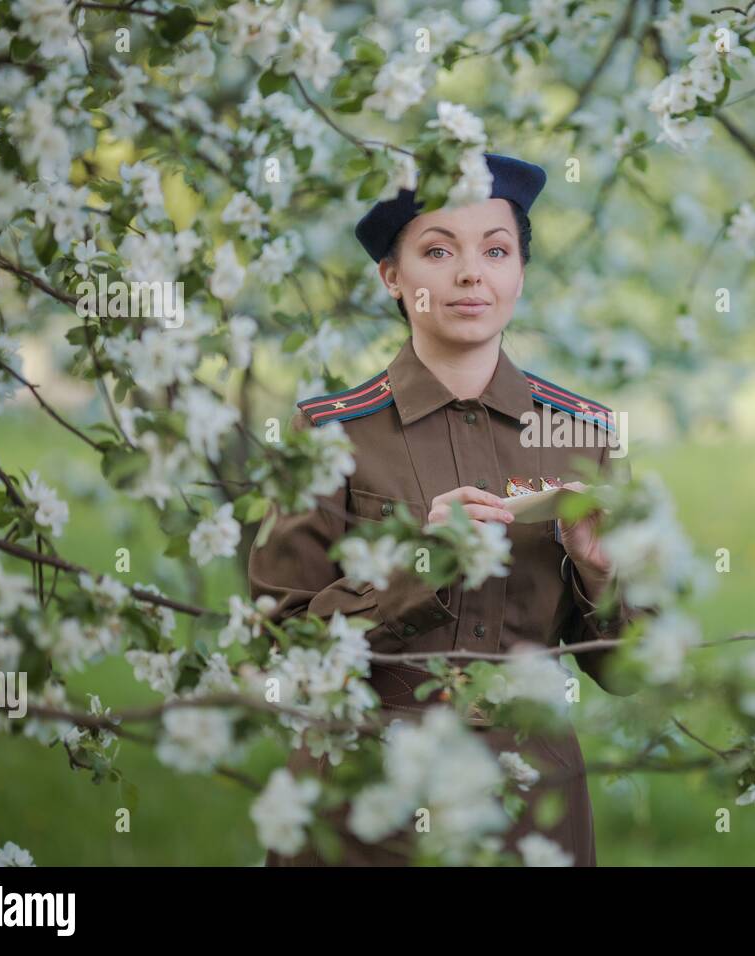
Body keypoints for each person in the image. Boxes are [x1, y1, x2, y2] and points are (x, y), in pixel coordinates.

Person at [247, 153, 648, 866]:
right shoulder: (329, 434)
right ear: (393, 277)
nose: (471, 274)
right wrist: (419, 568)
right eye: (438, 251)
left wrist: (598, 572)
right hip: (367, 800)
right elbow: (283, 654)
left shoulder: (582, 435)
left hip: (532, 802)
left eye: (496, 250)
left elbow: (633, 671)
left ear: (520, 272)